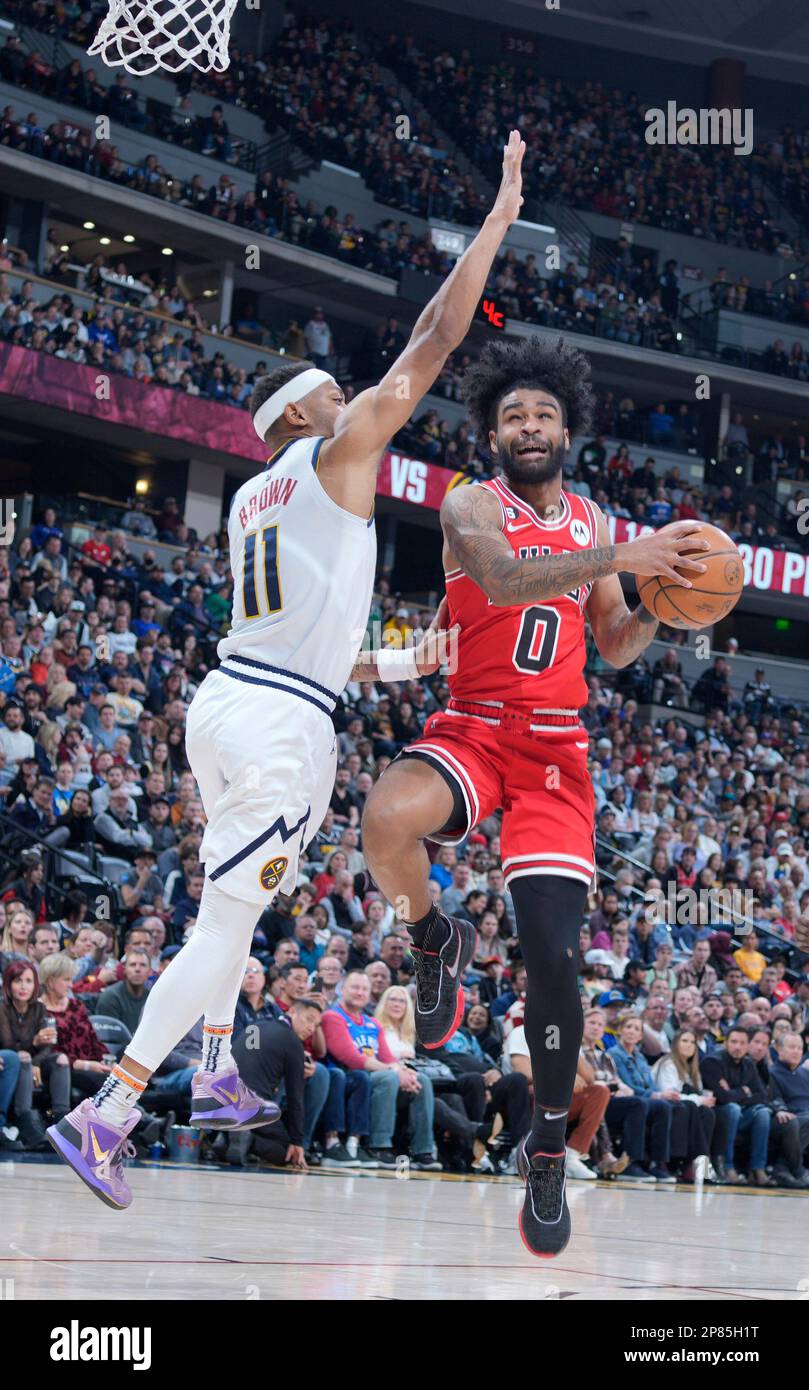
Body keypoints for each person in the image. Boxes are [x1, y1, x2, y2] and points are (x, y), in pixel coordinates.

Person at [48, 127, 532, 1213]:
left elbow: (324, 648)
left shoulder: (264, 498)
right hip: (275, 729)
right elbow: (431, 339)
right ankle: (108, 1111)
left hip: (239, 702)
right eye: (338, 392)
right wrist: (495, 221)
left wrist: (421, 653)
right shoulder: (336, 447)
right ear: (311, 410)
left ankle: (216, 1066)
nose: (358, 397)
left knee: (236, 901)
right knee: (225, 919)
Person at [361, 334, 711, 1254]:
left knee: (554, 959)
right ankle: (434, 935)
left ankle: (547, 1147)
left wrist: (661, 604)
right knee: (386, 818)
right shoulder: (468, 503)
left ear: (567, 430)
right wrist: (627, 555)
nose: (527, 425)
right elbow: (507, 579)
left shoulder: (594, 523)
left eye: (543, 414)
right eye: (512, 414)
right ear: (491, 430)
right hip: (472, 723)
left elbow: (615, 644)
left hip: (555, 748)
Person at [321, 970, 438, 1169]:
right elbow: (352, 1058)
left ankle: (422, 1150)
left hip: (376, 1079)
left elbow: (387, 1057)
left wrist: (403, 1071)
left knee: (422, 1080)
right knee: (389, 1078)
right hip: (350, 1078)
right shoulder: (333, 1016)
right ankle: (378, 1146)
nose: (360, 992)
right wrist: (394, 1071)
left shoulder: (372, 1023)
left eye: (364, 989)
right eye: (355, 987)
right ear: (343, 989)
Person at [700, 1026, 774, 1186]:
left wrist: (735, 1095)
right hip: (717, 1113)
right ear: (725, 1043)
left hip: (740, 1112)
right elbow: (722, 1098)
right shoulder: (712, 1062)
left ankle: (757, 1169)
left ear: (748, 1046)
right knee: (732, 1109)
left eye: (742, 1043)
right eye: (733, 1042)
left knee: (762, 1113)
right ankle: (727, 1167)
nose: (738, 1047)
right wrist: (744, 1091)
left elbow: (761, 1096)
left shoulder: (748, 1064)